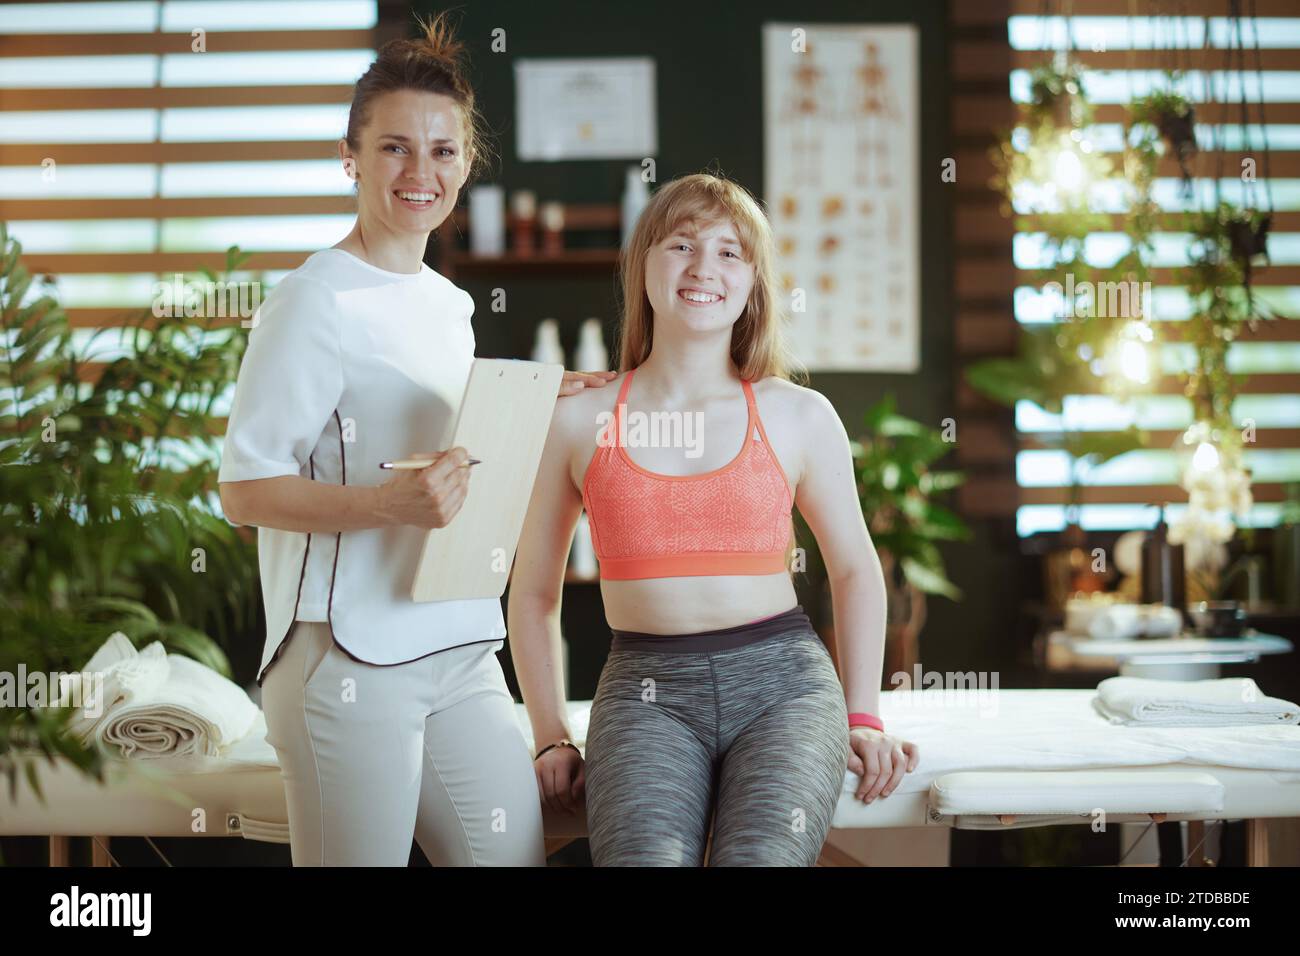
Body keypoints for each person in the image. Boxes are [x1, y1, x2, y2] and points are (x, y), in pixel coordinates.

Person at [217, 13, 614, 866]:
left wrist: (527, 396)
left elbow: (434, 426)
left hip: (456, 649)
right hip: (343, 658)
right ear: (351, 157)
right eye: (394, 147)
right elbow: (244, 490)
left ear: (466, 166)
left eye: (441, 151)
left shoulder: (449, 304)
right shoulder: (310, 301)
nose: (419, 171)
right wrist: (381, 504)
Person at [509, 172, 920, 866]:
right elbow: (532, 593)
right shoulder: (577, 420)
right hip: (646, 692)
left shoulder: (799, 415)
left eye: (731, 252)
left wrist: (864, 714)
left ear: (753, 282)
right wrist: (552, 734)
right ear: (643, 264)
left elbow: (854, 571)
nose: (705, 267)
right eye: (681, 245)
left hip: (784, 688)